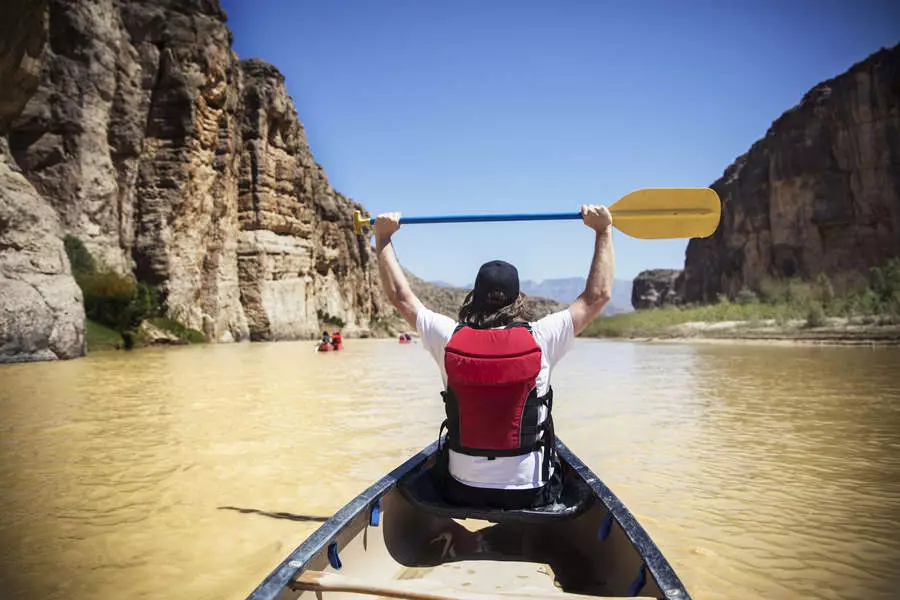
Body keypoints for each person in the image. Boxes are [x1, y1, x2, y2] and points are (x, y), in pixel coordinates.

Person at [373, 205, 614, 510]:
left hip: (461, 489)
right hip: (531, 491)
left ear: (473, 297)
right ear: (518, 301)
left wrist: (382, 238)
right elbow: (598, 295)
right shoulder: (543, 336)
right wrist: (603, 231)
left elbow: (400, 295)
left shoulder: (447, 337)